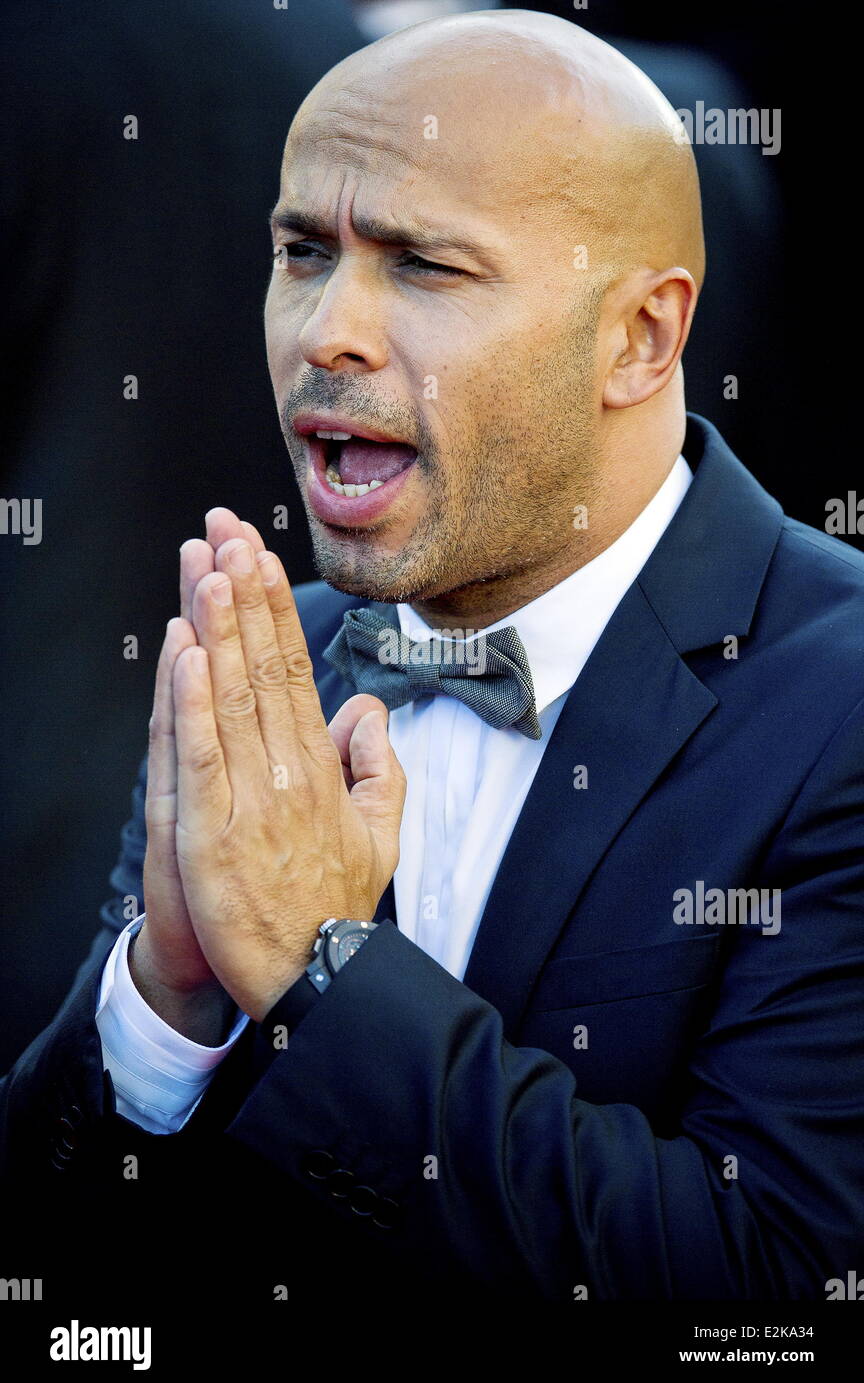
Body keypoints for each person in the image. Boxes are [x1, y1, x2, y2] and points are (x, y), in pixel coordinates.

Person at [2, 11, 862, 1309]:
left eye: (424, 267)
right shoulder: (268, 650)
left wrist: (318, 970)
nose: (325, 333)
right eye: (302, 251)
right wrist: (161, 1004)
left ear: (640, 336)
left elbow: (772, 1288)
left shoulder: (840, 701)